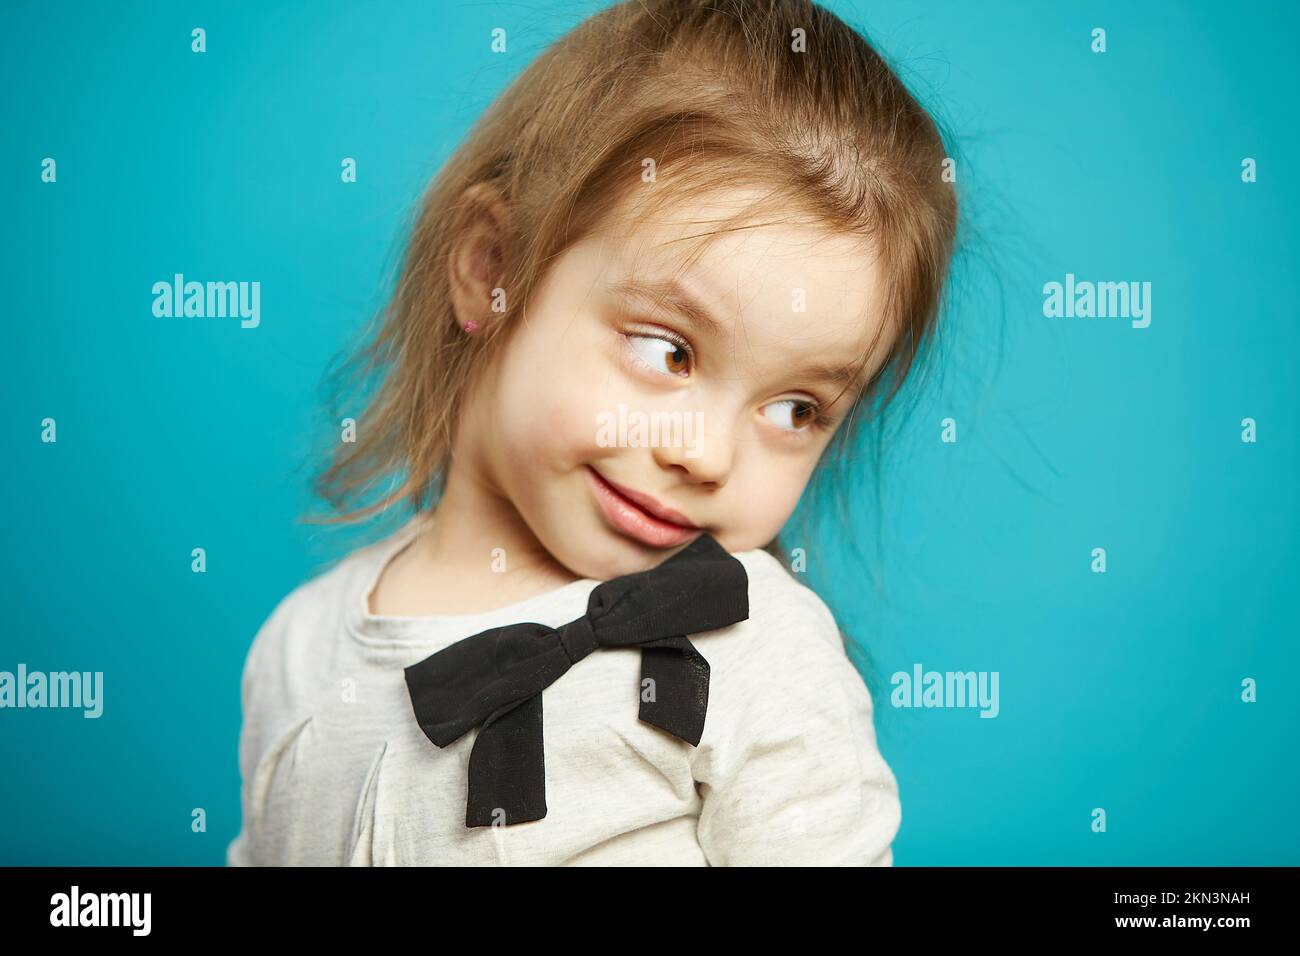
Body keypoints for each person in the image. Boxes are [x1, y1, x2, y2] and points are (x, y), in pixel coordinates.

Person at [228, 0, 957, 866]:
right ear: (491, 271)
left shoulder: (750, 650)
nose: (710, 454)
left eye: (795, 409)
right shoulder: (298, 649)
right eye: (668, 350)